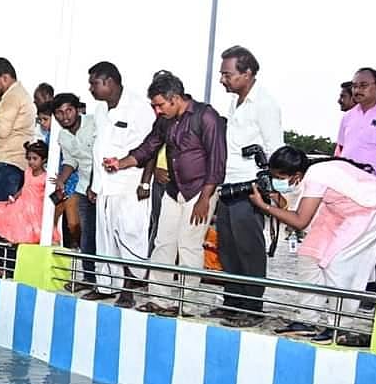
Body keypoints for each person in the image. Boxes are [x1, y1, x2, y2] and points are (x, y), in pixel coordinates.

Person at [105, 71, 227, 316]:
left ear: (175, 98)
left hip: (200, 191)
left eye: (160, 105)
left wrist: (205, 199)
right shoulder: (165, 120)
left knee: (189, 246)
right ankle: (160, 300)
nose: (158, 111)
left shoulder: (207, 117)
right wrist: (121, 162)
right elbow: (148, 147)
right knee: (163, 243)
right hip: (174, 190)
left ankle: (188, 305)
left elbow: (217, 162)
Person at [250, 148, 376, 346]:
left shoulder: (316, 176)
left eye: (280, 177)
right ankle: (307, 321)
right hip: (338, 210)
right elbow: (292, 209)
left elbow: (300, 220)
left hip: (368, 211)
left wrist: (264, 206)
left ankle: (339, 326)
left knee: (338, 265)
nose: (277, 180)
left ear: (296, 175)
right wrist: (275, 199)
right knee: (309, 256)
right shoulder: (308, 175)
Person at [213, 45, 283, 327]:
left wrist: (269, 190)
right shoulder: (235, 102)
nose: (222, 79)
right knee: (227, 247)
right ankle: (233, 302)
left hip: (250, 187)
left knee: (249, 249)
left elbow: (275, 149)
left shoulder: (265, 104)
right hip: (228, 183)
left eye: (227, 74)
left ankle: (252, 308)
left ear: (247, 73)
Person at [85, 61, 155, 306]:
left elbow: (152, 148)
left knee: (129, 236)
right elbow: (98, 149)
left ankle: (129, 289)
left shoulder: (139, 108)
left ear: (109, 82)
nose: (90, 88)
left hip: (129, 185)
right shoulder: (101, 110)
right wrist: (94, 185)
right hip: (105, 186)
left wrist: (146, 183)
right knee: (104, 239)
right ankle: (105, 286)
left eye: (94, 83)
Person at [0, 58, 36, 205]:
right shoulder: (17, 94)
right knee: (9, 216)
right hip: (11, 164)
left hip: (6, 164)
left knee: (2, 217)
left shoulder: (12, 96)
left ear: (5, 78)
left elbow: (2, 129)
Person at [0, 141, 57, 244]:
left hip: (36, 207)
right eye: (29, 159)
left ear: (44, 160)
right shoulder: (28, 171)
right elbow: (25, 187)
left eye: (35, 159)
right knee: (18, 226)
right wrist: (14, 197)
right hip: (22, 203)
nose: (31, 162)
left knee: (35, 230)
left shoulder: (46, 177)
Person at [52, 93, 94, 255]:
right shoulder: (63, 136)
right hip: (83, 187)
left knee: (106, 234)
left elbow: (101, 154)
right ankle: (88, 275)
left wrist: (95, 184)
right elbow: (70, 161)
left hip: (104, 185)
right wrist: (61, 180)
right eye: (59, 113)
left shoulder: (93, 123)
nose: (65, 116)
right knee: (85, 232)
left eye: (69, 110)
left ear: (77, 110)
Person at [336, 67, 376, 179]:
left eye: (363, 86)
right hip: (347, 181)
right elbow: (341, 147)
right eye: (355, 86)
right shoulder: (347, 116)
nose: (357, 91)